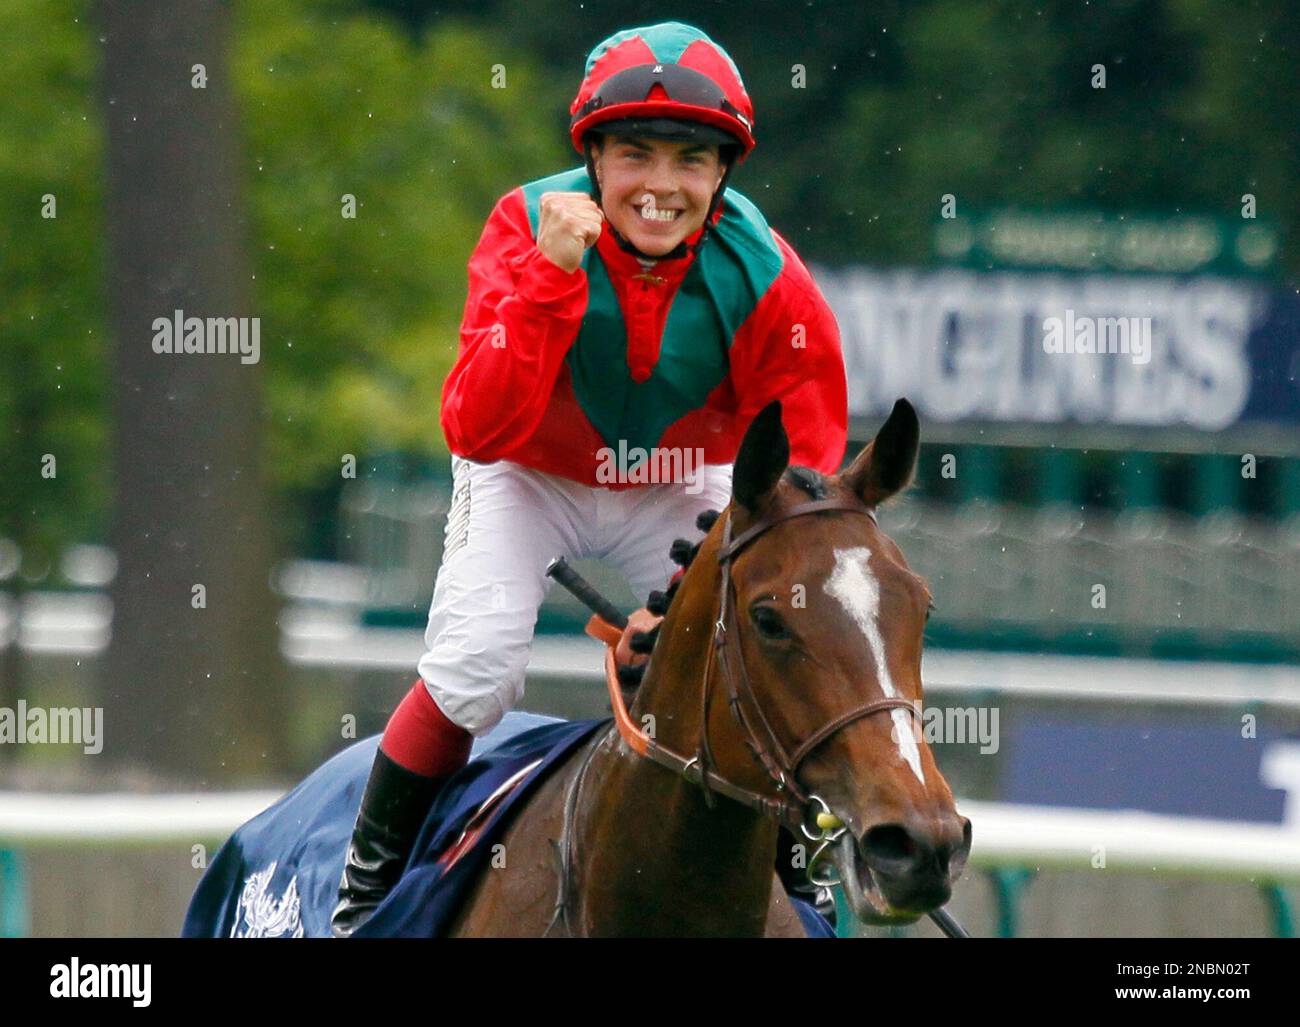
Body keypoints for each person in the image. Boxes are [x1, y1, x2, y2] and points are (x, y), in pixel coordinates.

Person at [332, 20, 849, 936]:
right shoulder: (522, 226)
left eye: (690, 160)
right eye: (635, 155)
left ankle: (805, 891)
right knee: (473, 675)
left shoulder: (770, 275)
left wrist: (699, 595)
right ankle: (363, 901)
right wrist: (549, 276)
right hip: (529, 471)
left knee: (776, 644)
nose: (660, 186)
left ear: (723, 174)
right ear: (594, 159)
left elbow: (802, 481)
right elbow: (478, 425)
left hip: (682, 479)